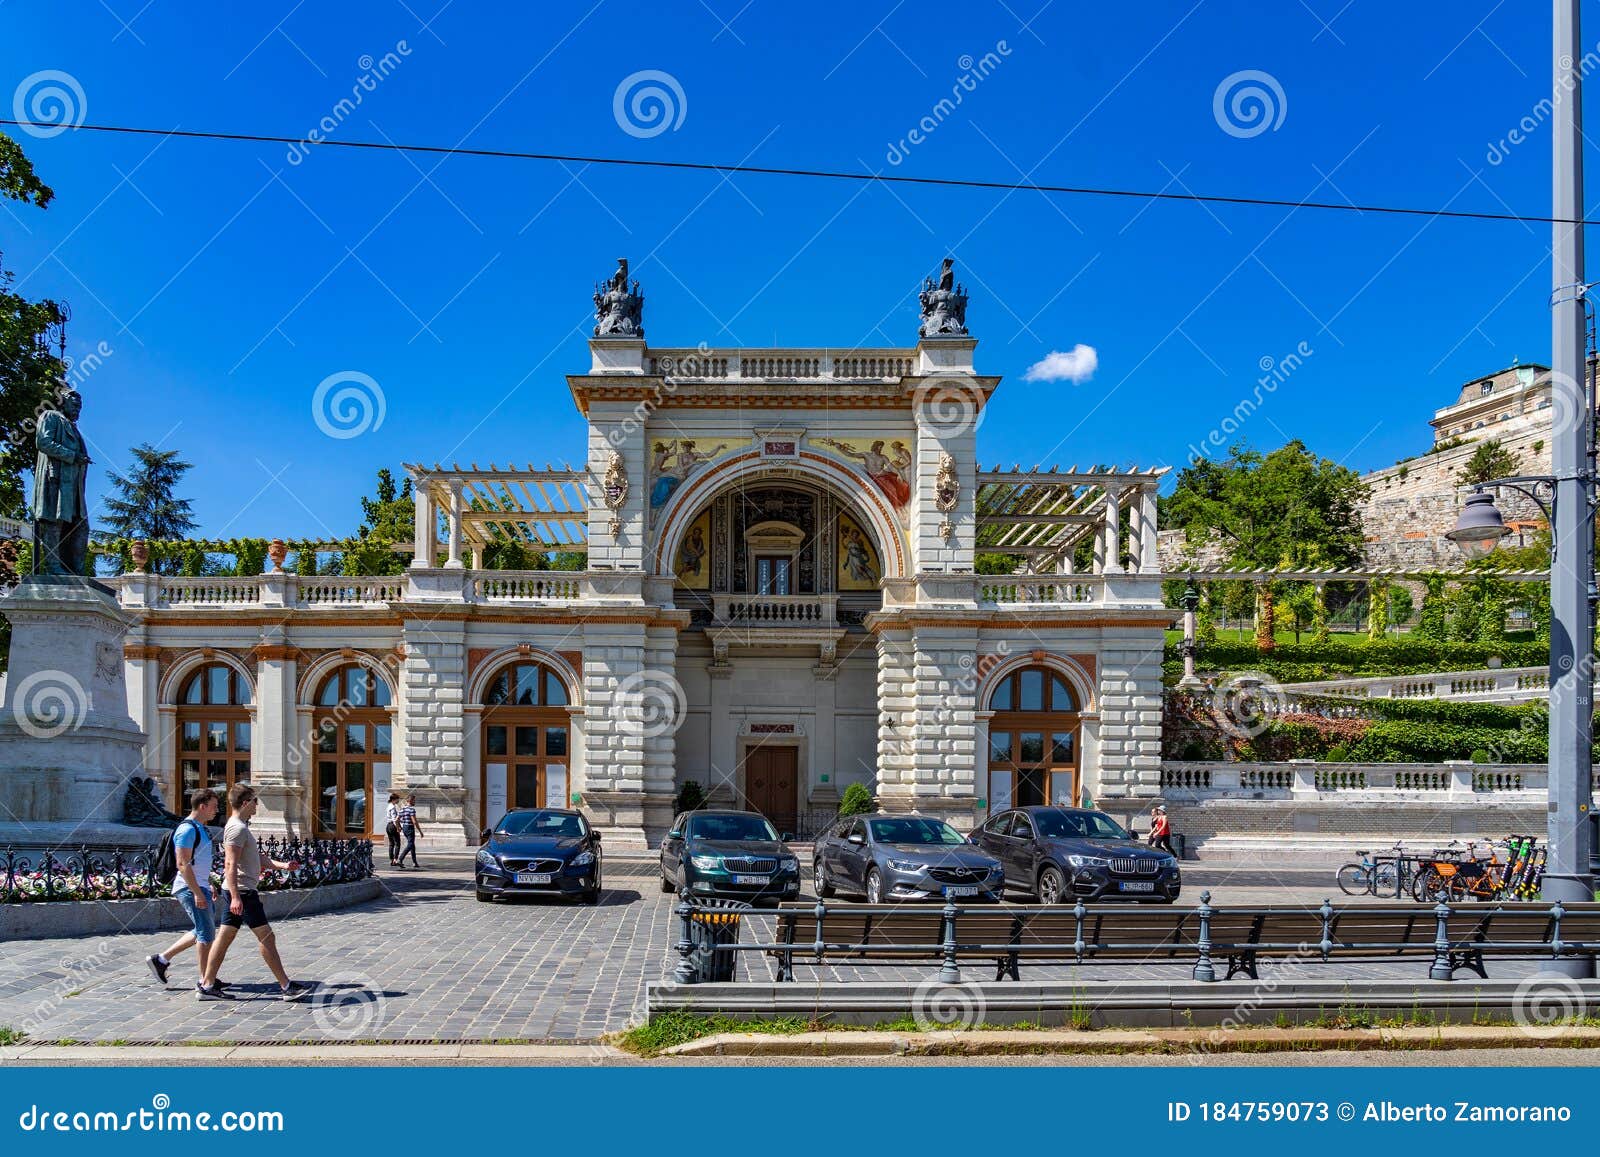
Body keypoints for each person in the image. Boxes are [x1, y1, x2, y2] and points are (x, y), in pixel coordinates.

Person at [200, 784, 311, 1002]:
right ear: (245, 803)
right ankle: (286, 986)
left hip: (240, 891)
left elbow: (255, 858)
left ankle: (207, 985)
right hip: (242, 892)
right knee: (267, 937)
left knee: (224, 938)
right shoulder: (237, 828)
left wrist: (282, 866)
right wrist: (234, 896)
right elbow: (230, 864)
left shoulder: (240, 827)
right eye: (254, 801)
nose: (257, 805)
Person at [146, 789, 227, 999]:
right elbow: (182, 864)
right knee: (206, 935)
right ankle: (204, 982)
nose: (216, 810)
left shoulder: (200, 828)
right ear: (202, 806)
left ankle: (161, 960)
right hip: (190, 888)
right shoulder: (187, 830)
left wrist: (208, 883)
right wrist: (197, 892)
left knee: (202, 930)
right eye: (214, 806)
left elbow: (198, 863)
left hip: (198, 886)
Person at [396, 794, 423, 868]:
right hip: (410, 828)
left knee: (412, 845)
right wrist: (420, 831)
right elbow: (414, 822)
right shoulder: (411, 809)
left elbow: (396, 819)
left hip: (404, 827)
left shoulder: (402, 809)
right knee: (410, 844)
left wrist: (398, 827)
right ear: (410, 800)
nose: (415, 802)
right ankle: (400, 859)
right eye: (414, 800)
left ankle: (414, 862)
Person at [384, 792, 402, 866]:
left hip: (388, 826)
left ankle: (391, 859)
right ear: (393, 799)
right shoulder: (393, 807)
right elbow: (395, 819)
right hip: (392, 826)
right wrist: (398, 828)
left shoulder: (389, 806)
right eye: (397, 799)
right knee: (397, 843)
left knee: (391, 844)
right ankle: (395, 859)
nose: (398, 801)